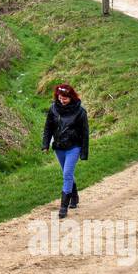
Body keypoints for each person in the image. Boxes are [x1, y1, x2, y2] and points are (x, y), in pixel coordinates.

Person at [41, 83, 89, 219]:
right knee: (67, 173)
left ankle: (63, 207)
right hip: (59, 147)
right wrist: (45, 144)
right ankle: (74, 196)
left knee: (67, 174)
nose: (62, 101)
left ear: (71, 97)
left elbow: (85, 133)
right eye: (60, 98)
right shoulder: (53, 109)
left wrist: (84, 152)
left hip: (74, 147)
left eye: (65, 98)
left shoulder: (80, 112)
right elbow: (48, 128)